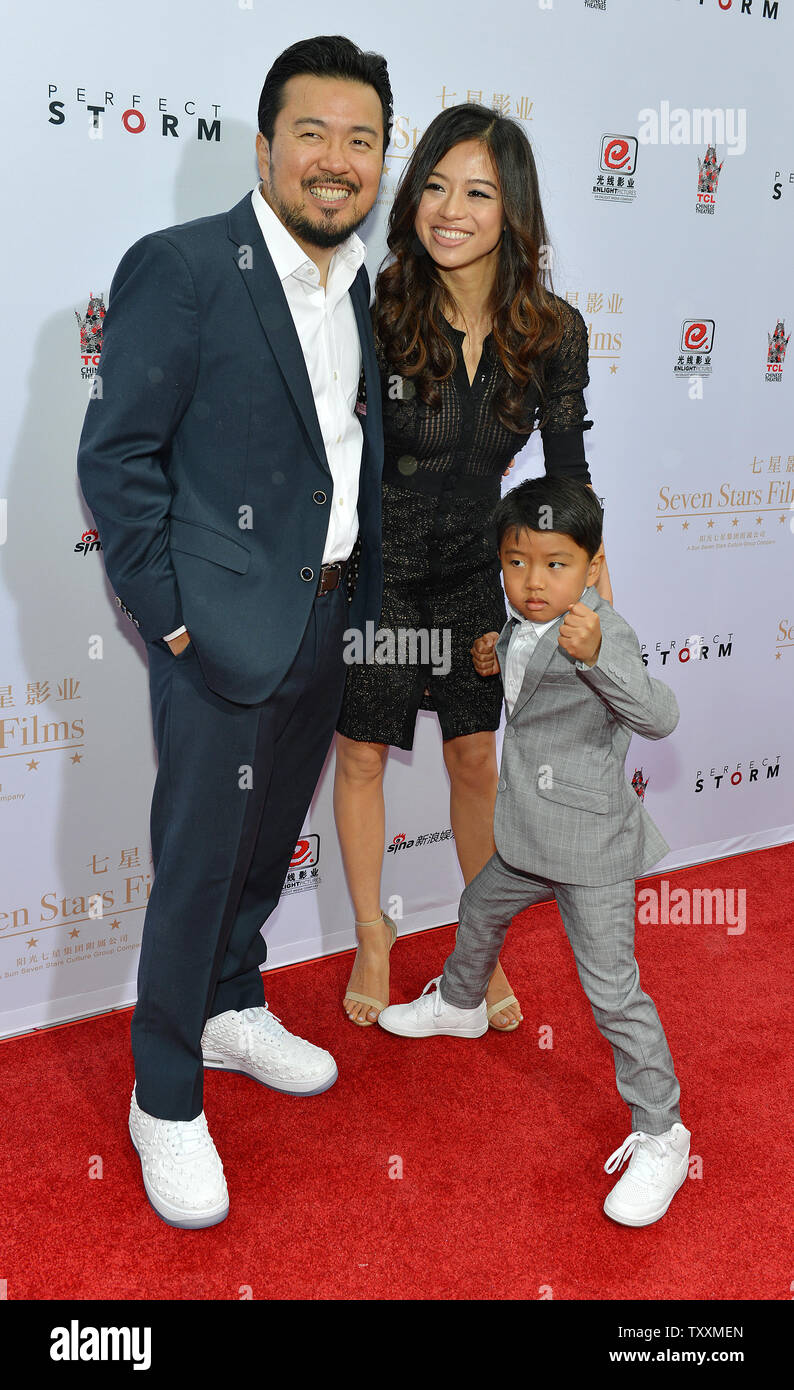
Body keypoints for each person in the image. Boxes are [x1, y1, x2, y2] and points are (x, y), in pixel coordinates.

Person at [76, 35, 392, 1229]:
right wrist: (166, 624)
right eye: (310, 133)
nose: (334, 160)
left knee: (262, 851)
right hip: (212, 634)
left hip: (323, 616)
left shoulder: (357, 279)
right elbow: (116, 458)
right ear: (263, 147)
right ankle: (163, 1096)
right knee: (202, 860)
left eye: (359, 141)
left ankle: (228, 1001)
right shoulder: (184, 265)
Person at [333, 103, 612, 1030]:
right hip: (382, 570)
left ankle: (474, 948)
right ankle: (373, 933)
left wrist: (599, 607)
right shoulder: (379, 313)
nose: (450, 208)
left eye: (478, 192)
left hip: (469, 577)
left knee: (473, 761)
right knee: (364, 751)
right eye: (437, 187)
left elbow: (567, 480)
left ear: (512, 210)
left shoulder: (552, 332)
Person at [378, 477, 690, 1227]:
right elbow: (533, 679)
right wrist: (496, 657)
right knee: (478, 906)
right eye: (517, 563)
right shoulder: (522, 621)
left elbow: (659, 715)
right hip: (526, 838)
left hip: (589, 849)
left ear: (592, 564)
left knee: (614, 995)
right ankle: (459, 1005)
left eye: (556, 564)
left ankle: (662, 1132)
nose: (534, 580)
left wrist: (596, 660)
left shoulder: (601, 631)